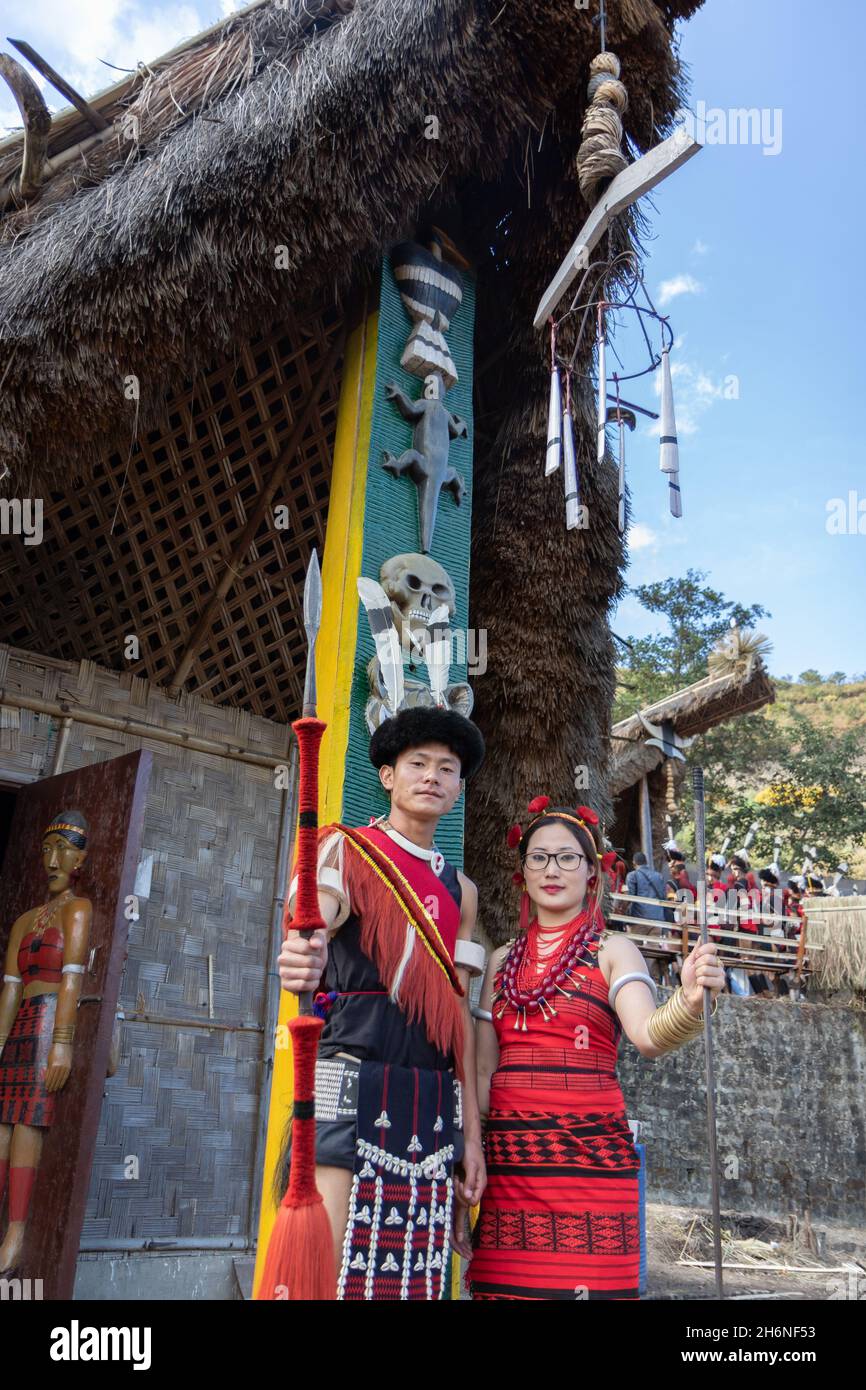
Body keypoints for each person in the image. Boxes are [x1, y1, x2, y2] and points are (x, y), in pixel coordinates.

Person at [468, 798, 724, 1301]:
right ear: (522, 872)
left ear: (592, 872)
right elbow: (480, 1073)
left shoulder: (613, 950)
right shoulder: (499, 961)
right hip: (509, 1175)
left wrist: (692, 999)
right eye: (538, 857)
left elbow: (649, 1035)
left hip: (591, 1173)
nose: (552, 869)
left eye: (568, 857)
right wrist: (468, 1152)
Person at [275, 706, 487, 1300]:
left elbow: (459, 1023)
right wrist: (303, 952)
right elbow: (315, 919)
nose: (432, 776)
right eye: (417, 763)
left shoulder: (461, 892)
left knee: (413, 1276)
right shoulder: (344, 851)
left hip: (428, 1095)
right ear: (389, 777)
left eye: (447, 768)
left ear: (458, 788)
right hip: (349, 1075)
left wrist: (471, 1137)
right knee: (330, 1265)